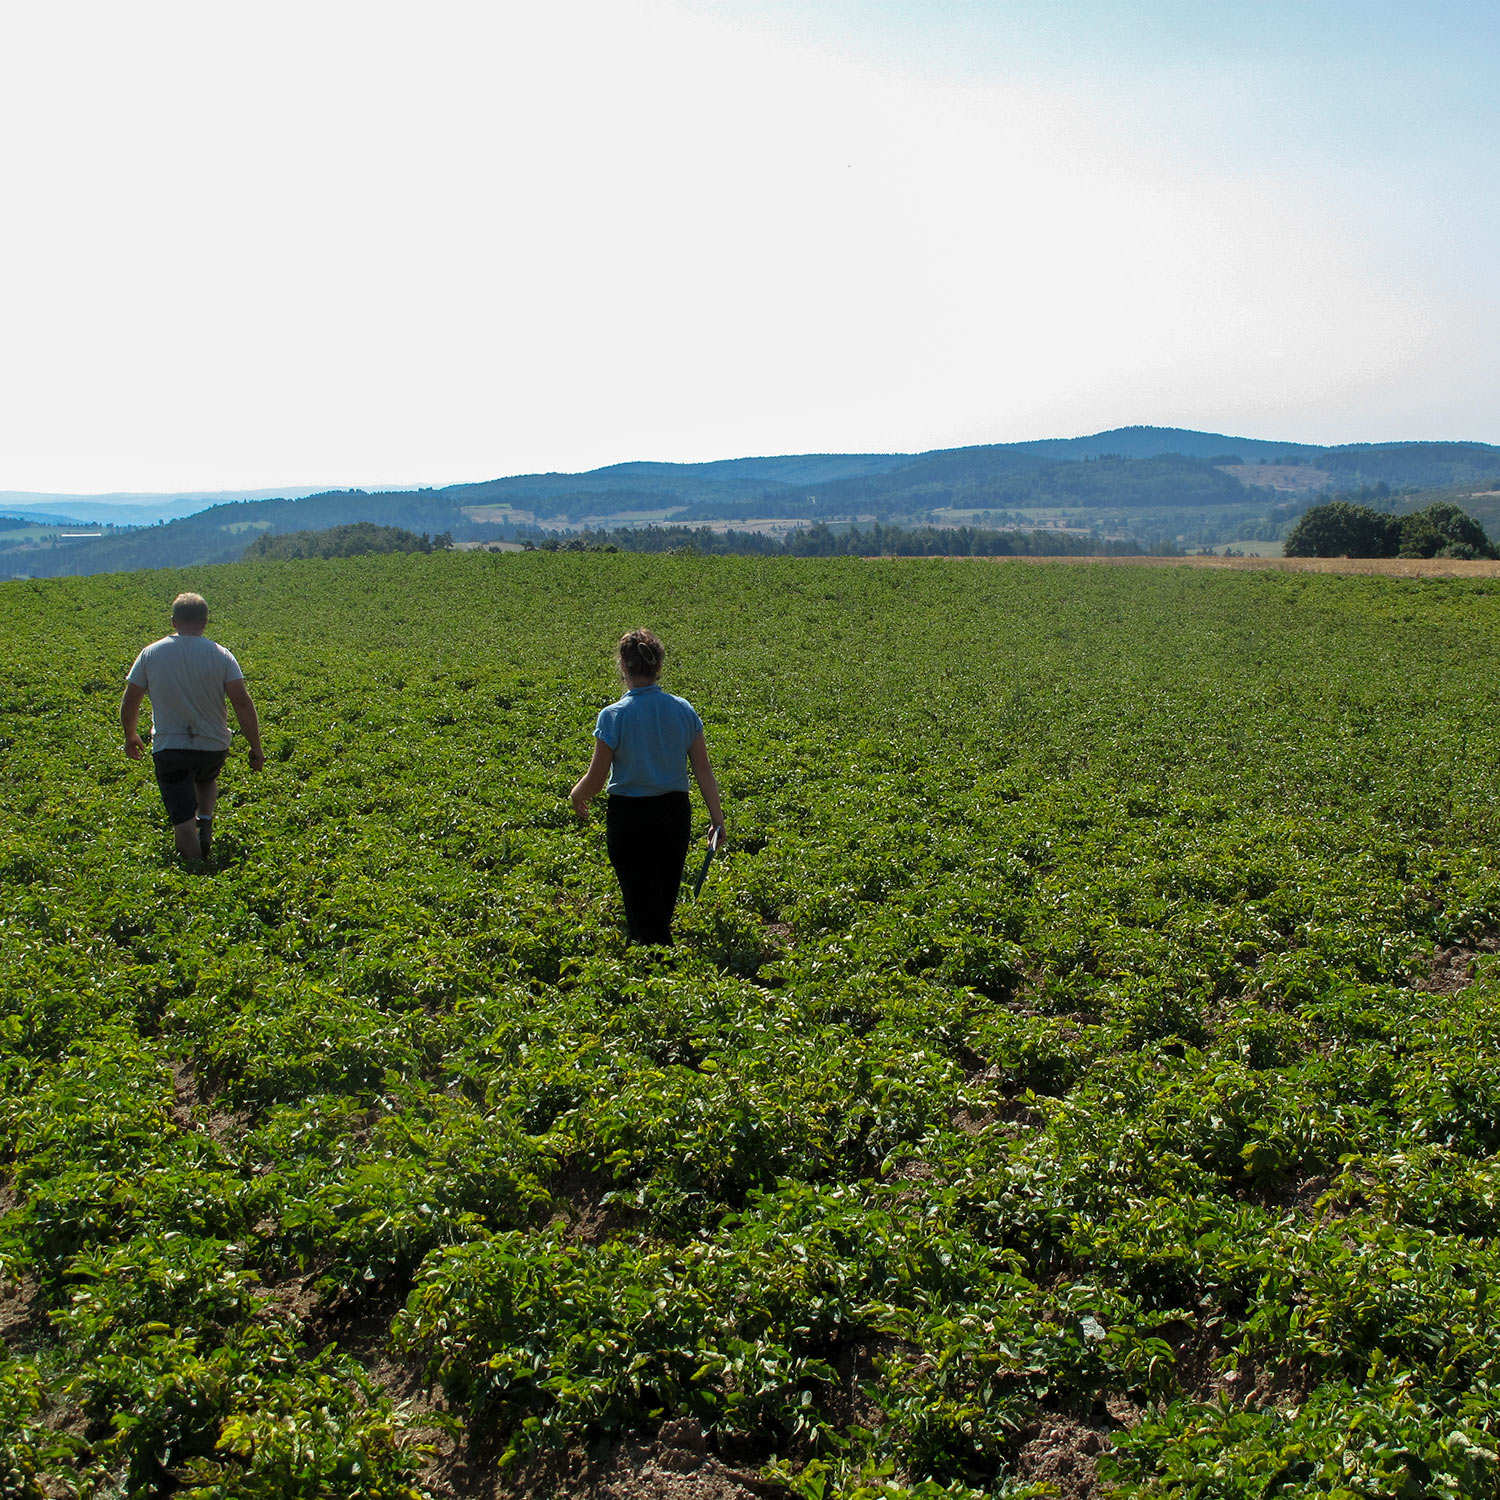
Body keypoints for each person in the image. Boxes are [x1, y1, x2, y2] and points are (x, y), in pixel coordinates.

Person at [570, 628, 724, 945]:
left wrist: (577, 794)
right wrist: (717, 820)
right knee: (664, 899)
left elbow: (596, 780)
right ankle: (664, 967)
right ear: (658, 667)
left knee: (638, 901)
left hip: (629, 818)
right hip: (673, 815)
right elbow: (704, 770)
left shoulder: (613, 716)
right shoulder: (683, 710)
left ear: (623, 667)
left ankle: (649, 971)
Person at [121, 592, 264, 863]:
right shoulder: (221, 655)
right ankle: (206, 820)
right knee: (206, 778)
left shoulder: (151, 653)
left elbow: (131, 700)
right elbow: (242, 704)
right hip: (212, 744)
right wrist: (256, 746)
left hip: (170, 747)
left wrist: (130, 735)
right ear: (205, 622)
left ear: (173, 621)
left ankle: (197, 869)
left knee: (182, 819)